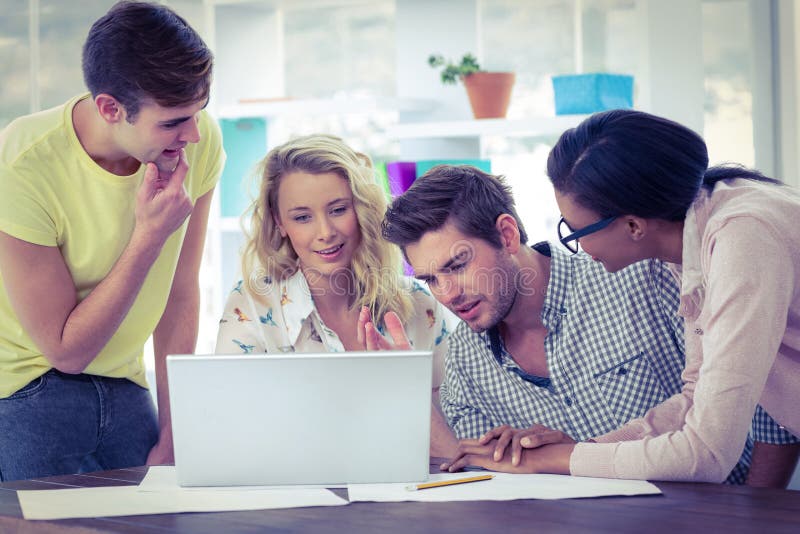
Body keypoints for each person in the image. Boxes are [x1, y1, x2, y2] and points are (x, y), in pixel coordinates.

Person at [440, 110, 800, 486]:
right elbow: (694, 396)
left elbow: (706, 454)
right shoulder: (696, 235)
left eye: (576, 230)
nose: (575, 245)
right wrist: (584, 448)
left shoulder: (744, 237)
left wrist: (561, 459)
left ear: (633, 225)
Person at [0, 1, 224, 481]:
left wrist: (175, 428)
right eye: (171, 122)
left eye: (196, 114)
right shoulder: (23, 162)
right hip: (24, 390)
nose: (193, 135)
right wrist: (149, 236)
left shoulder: (198, 142)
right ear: (110, 108)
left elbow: (180, 293)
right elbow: (66, 350)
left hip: (125, 384)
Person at [214, 133, 456, 455]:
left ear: (362, 209)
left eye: (339, 209)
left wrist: (403, 388)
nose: (326, 233)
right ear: (279, 222)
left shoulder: (418, 303)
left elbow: (450, 434)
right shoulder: (252, 304)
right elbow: (231, 432)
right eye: (302, 217)